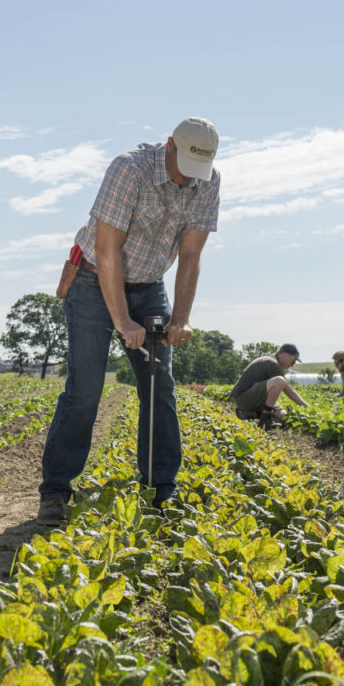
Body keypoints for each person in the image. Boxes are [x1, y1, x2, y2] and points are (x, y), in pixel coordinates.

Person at [37, 117, 221, 526]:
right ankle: (55, 491)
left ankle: (161, 487)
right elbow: (107, 250)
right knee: (84, 391)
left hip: (150, 283)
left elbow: (191, 255)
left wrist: (181, 318)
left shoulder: (207, 182)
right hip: (92, 280)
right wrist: (122, 321)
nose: (187, 178)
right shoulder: (129, 169)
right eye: (183, 166)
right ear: (170, 145)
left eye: (197, 170)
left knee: (159, 387)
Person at [230, 344, 310, 428]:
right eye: (293, 361)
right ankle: (265, 419)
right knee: (279, 381)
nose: (292, 365)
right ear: (285, 355)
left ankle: (248, 414)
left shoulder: (272, 361)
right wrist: (307, 408)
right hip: (243, 398)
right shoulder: (272, 363)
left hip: (256, 398)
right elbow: (290, 392)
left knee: (285, 418)